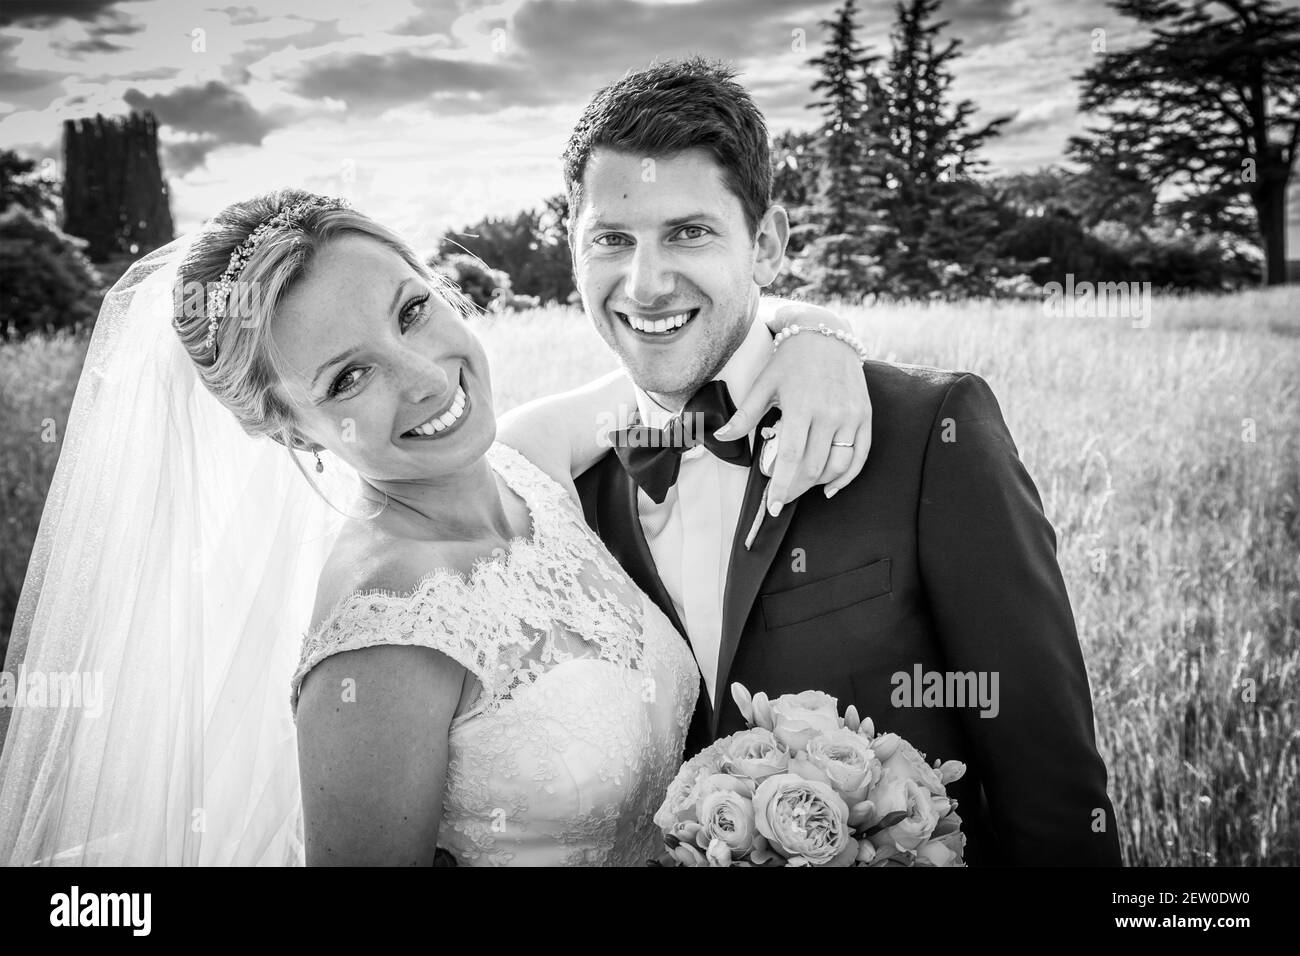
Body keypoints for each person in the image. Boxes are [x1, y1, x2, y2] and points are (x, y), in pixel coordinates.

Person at [0, 189, 871, 865]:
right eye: (348, 379)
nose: (424, 379)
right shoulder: (383, 640)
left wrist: (817, 338)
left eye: (412, 310)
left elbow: (686, 364)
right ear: (285, 427)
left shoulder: (529, 460)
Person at [567, 58, 1123, 866]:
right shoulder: (572, 487)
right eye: (612, 240)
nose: (645, 283)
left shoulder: (930, 433)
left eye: (689, 232)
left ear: (766, 243)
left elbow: (1053, 785)